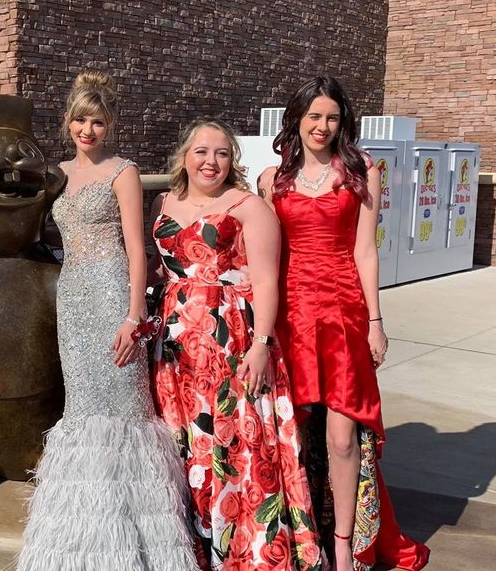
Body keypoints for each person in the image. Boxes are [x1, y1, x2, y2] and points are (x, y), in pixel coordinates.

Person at [17, 70, 197, 570]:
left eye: (97, 121)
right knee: (82, 405)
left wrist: (134, 315)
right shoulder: (55, 173)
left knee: (123, 402)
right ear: (68, 123)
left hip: (114, 289)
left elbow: (138, 251)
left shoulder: (124, 171)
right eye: (80, 120)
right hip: (72, 294)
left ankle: (137, 539)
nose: (88, 130)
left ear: (109, 125)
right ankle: (83, 532)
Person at [258, 76, 429, 571]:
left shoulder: (361, 171)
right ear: (297, 119)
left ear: (342, 122)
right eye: (313, 116)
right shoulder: (273, 180)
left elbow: (365, 251)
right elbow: (265, 255)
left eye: (331, 117)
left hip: (341, 312)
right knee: (294, 429)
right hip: (289, 313)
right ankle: (296, 532)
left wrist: (375, 319)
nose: (322, 126)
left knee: (341, 435)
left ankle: (343, 543)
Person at [150, 119, 324, 570]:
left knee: (234, 441)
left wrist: (262, 344)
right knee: (185, 444)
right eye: (202, 151)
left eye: (222, 153)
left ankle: (245, 552)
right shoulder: (162, 202)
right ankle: (192, 550)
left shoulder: (249, 207)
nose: (211, 161)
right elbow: (157, 269)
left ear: (233, 160)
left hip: (233, 342)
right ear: (184, 156)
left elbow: (268, 282)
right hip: (174, 349)